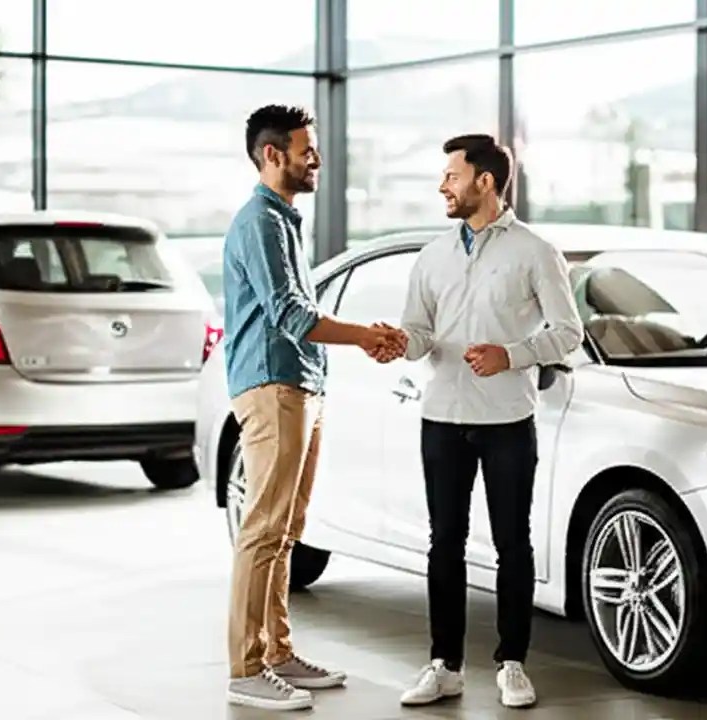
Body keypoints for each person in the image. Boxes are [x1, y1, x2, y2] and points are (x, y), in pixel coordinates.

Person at [222, 104, 403, 711]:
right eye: (306, 149)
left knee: (287, 530)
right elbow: (292, 316)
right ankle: (246, 668)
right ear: (272, 154)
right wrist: (367, 335)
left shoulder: (284, 221)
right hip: (273, 387)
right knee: (264, 530)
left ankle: (277, 652)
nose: (316, 159)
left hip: (300, 386)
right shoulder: (259, 224)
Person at [394, 134, 584, 709]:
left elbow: (569, 332)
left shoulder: (534, 251)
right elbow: (419, 333)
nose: (442, 186)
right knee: (443, 544)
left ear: (485, 181)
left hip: (506, 419)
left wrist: (513, 354)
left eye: (451, 176)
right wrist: (397, 342)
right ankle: (444, 665)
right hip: (441, 418)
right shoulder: (432, 256)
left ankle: (512, 663)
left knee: (512, 545)